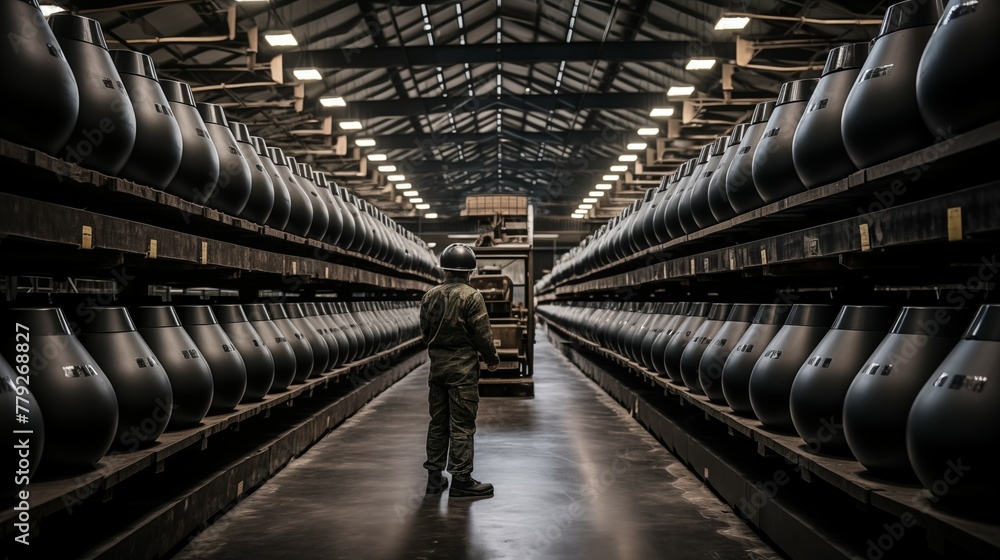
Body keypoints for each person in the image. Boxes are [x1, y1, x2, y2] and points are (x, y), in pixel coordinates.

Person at [420, 243, 501, 498]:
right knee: (462, 424)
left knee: (438, 422)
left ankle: (434, 479)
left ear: (445, 269)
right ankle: (461, 481)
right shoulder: (471, 296)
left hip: (438, 369)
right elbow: (482, 334)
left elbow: (425, 332)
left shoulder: (430, 295)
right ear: (469, 272)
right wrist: (491, 358)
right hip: (462, 371)